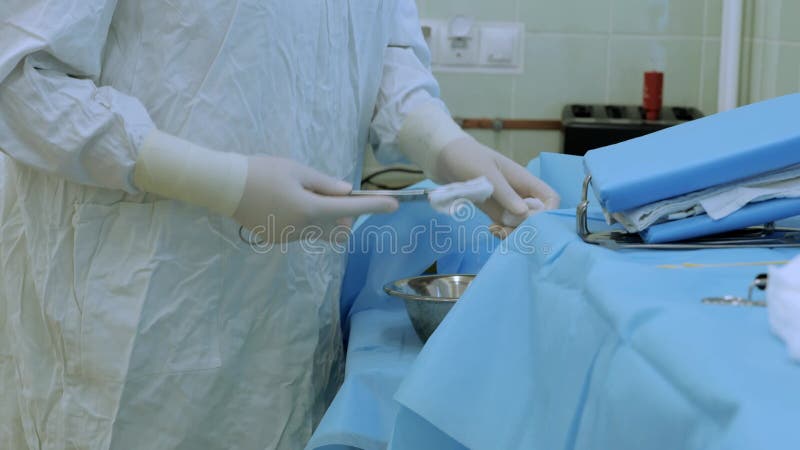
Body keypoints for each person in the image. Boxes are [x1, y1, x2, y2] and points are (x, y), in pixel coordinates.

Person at [0, 1, 559, 448]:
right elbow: (21, 75)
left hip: (281, 311)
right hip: (129, 313)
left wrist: (443, 143)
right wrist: (218, 181)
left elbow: (381, 48)